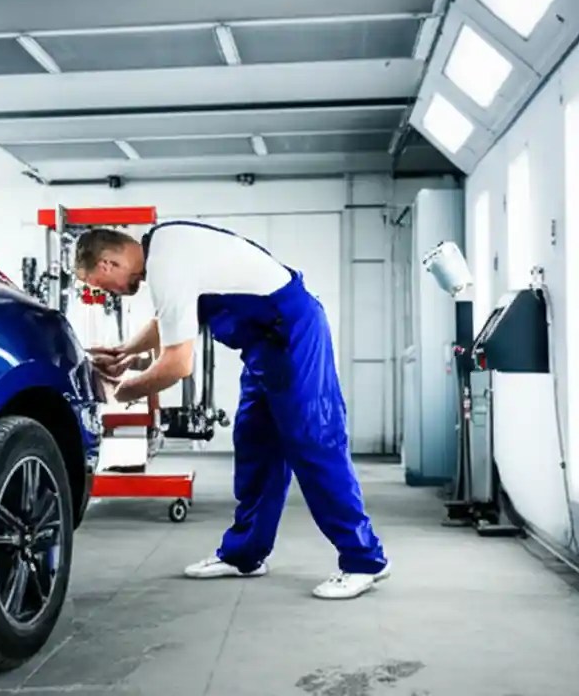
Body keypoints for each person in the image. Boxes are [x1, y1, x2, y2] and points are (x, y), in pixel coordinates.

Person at [75, 221, 390, 600]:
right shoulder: (164, 250)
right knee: (255, 444)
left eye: (96, 284)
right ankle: (246, 555)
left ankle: (364, 560)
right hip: (264, 346)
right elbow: (169, 320)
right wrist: (127, 353)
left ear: (108, 264)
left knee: (313, 442)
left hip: (291, 333)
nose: (106, 293)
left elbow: (178, 365)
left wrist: (117, 393)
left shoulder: (166, 261)